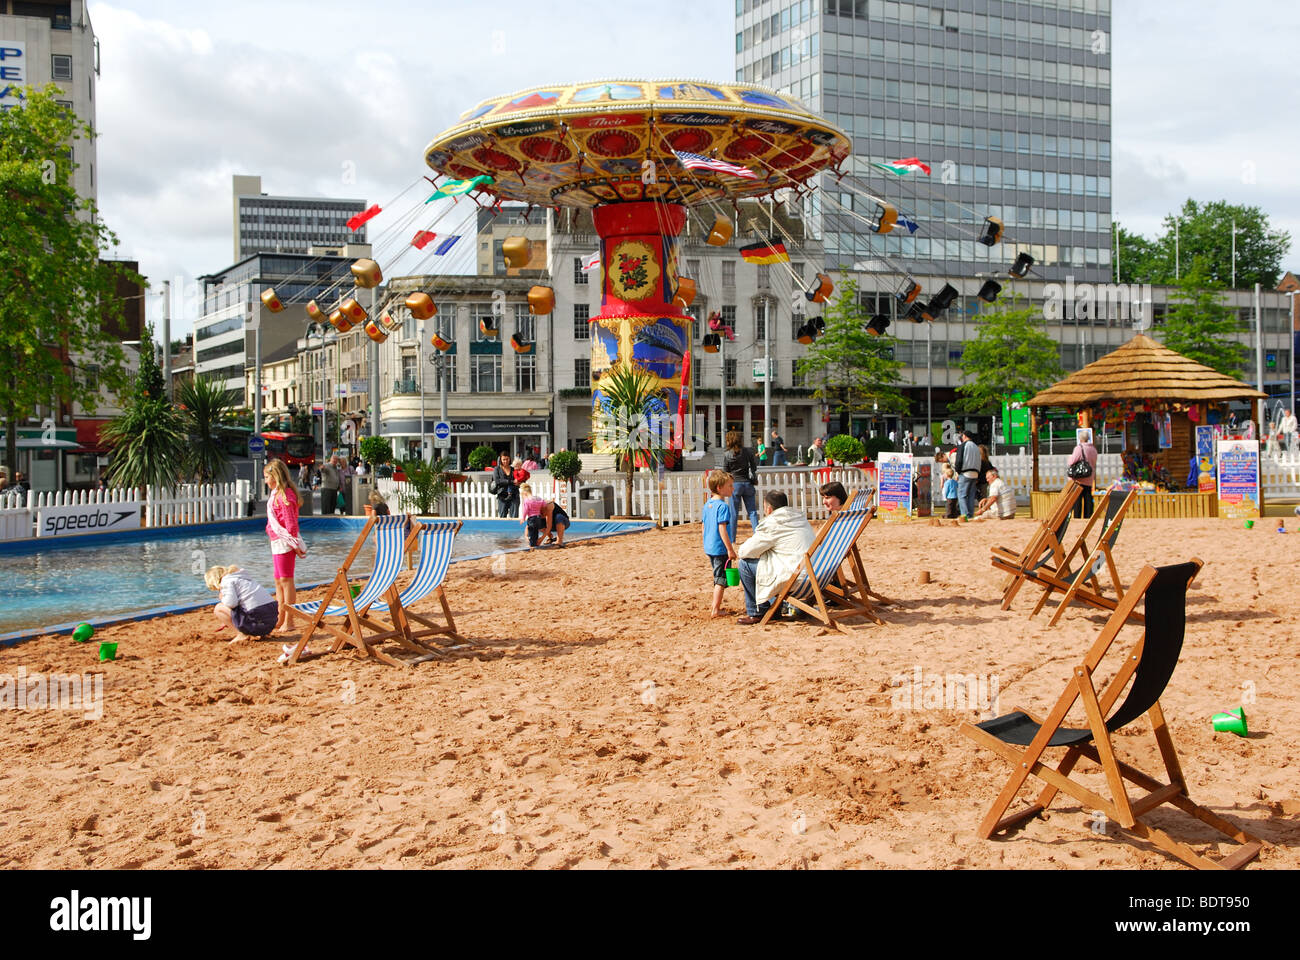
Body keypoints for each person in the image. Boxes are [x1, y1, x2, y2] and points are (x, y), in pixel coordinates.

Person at [735, 490, 816, 625]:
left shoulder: (774, 523)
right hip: (815, 579)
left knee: (745, 565)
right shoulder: (800, 519)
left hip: (796, 580)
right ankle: (775, 607)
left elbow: (744, 552)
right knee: (771, 561)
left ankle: (758, 612)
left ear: (769, 509)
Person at [263, 458, 306, 634]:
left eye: (267, 477)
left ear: (275, 477)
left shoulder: (285, 496)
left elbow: (290, 523)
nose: (265, 481)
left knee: (286, 581)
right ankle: (281, 617)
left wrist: (293, 544)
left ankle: (289, 619)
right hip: (277, 541)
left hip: (285, 543)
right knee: (278, 581)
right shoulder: (276, 495)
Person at [205, 564, 278, 644]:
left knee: (218, 608)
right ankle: (262, 633)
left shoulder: (226, 581)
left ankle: (241, 634)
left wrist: (222, 598)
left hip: (257, 622)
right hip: (271, 622)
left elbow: (231, 604)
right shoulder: (243, 578)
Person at [701, 470, 739, 619]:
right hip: (720, 548)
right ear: (719, 487)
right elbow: (722, 529)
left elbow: (703, 526)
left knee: (718, 575)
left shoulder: (708, 505)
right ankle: (715, 609)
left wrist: (705, 542)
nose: (732, 488)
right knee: (721, 579)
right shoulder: (723, 507)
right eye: (730, 486)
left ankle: (715, 607)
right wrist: (730, 549)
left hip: (710, 547)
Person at [723, 430, 760, 523]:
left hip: (735, 485)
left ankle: (732, 533)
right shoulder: (748, 451)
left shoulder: (727, 454)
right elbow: (754, 467)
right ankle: (757, 531)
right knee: (752, 512)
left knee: (733, 513)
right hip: (747, 483)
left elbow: (726, 471)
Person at [1068, 429, 1099, 518]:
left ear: (1080, 438)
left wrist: (1069, 458)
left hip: (1079, 478)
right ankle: (1088, 517)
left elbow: (1071, 461)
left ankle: (1077, 518)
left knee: (1077, 500)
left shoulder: (1079, 448)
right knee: (1088, 498)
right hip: (1089, 477)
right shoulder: (1093, 449)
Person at [954, 429, 982, 520]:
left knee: (962, 495)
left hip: (965, 472)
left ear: (965, 436)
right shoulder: (976, 447)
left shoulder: (963, 445)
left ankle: (964, 515)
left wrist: (958, 470)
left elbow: (959, 460)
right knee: (971, 496)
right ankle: (970, 515)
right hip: (975, 472)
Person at [519, 483, 548, 548]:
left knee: (531, 532)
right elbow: (544, 504)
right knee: (536, 532)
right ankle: (535, 544)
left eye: (522, 495)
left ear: (525, 493)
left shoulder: (527, 500)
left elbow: (525, 510)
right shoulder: (538, 498)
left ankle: (531, 545)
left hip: (532, 518)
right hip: (539, 518)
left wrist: (523, 518)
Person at [491, 453, 518, 518]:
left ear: (510, 459)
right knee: (502, 517)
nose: (505, 461)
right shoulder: (497, 469)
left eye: (507, 459)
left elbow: (518, 479)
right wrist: (511, 481)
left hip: (514, 495)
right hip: (502, 495)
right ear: (500, 459)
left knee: (514, 517)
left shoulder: (513, 469)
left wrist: (518, 482)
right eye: (504, 459)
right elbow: (497, 481)